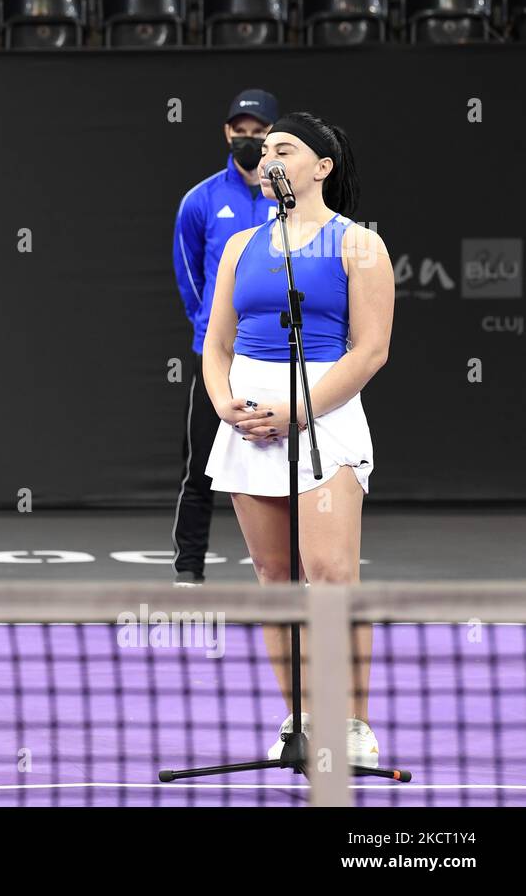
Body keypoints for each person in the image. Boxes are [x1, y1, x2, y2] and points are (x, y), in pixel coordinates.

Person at [201, 111, 394, 768]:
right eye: (264, 149)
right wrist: (226, 402)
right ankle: (302, 720)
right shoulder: (237, 248)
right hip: (248, 418)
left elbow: (369, 352)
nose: (269, 156)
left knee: (332, 576)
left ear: (322, 168)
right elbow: (216, 345)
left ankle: (356, 725)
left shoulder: (358, 246)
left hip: (325, 415)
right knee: (275, 577)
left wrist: (299, 410)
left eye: (286, 147)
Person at [171, 88, 280, 587]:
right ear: (226, 133)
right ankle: (189, 571)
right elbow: (190, 272)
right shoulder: (201, 199)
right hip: (215, 356)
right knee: (200, 468)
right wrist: (210, 329)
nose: (248, 140)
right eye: (241, 131)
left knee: (290, 464)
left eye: (259, 133)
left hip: (276, 356)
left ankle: (292, 569)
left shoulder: (288, 202)